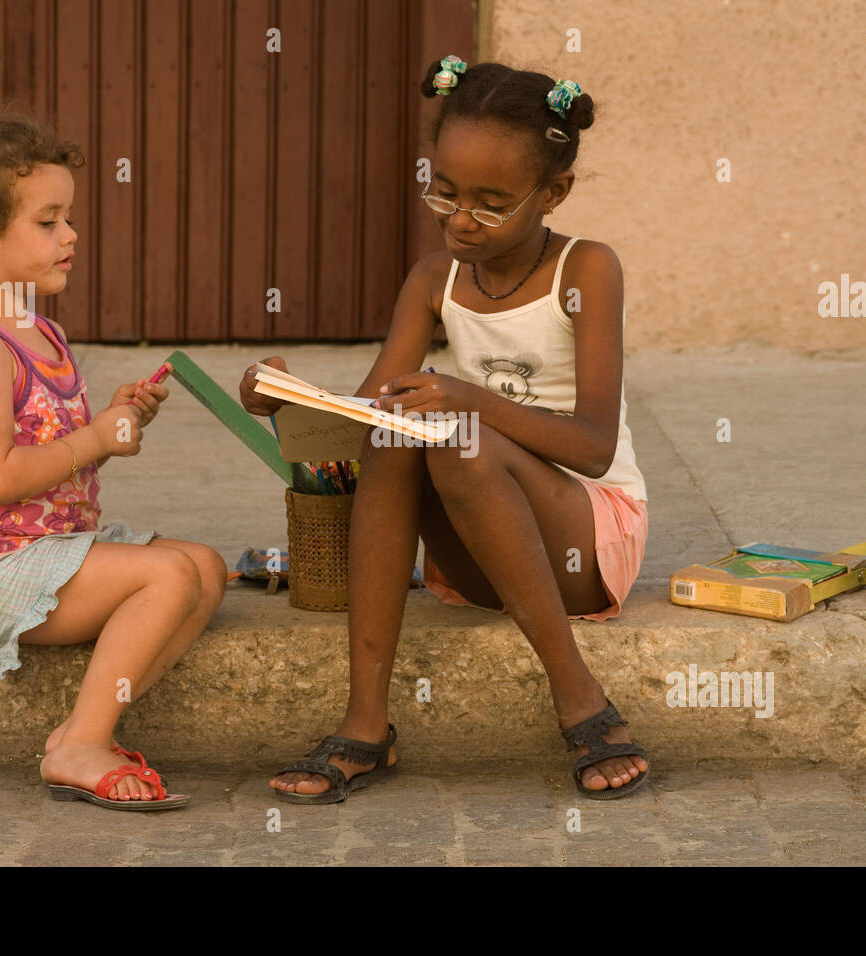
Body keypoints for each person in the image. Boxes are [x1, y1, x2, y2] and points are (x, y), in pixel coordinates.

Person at [240, 58, 650, 802]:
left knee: (456, 434)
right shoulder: (436, 278)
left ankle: (580, 699)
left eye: (491, 204)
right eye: (446, 192)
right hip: (477, 548)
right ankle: (366, 722)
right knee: (397, 434)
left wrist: (470, 401)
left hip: (583, 544)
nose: (460, 218)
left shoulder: (587, 270)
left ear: (551, 192)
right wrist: (283, 395)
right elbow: (364, 418)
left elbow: (593, 446)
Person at [0, 107, 225, 810]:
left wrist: (111, 424)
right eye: (49, 221)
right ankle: (85, 743)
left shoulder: (38, 331)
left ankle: (78, 731)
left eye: (68, 218)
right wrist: (94, 438)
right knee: (169, 575)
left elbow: (58, 461)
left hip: (51, 545)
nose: (71, 236)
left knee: (205, 569)